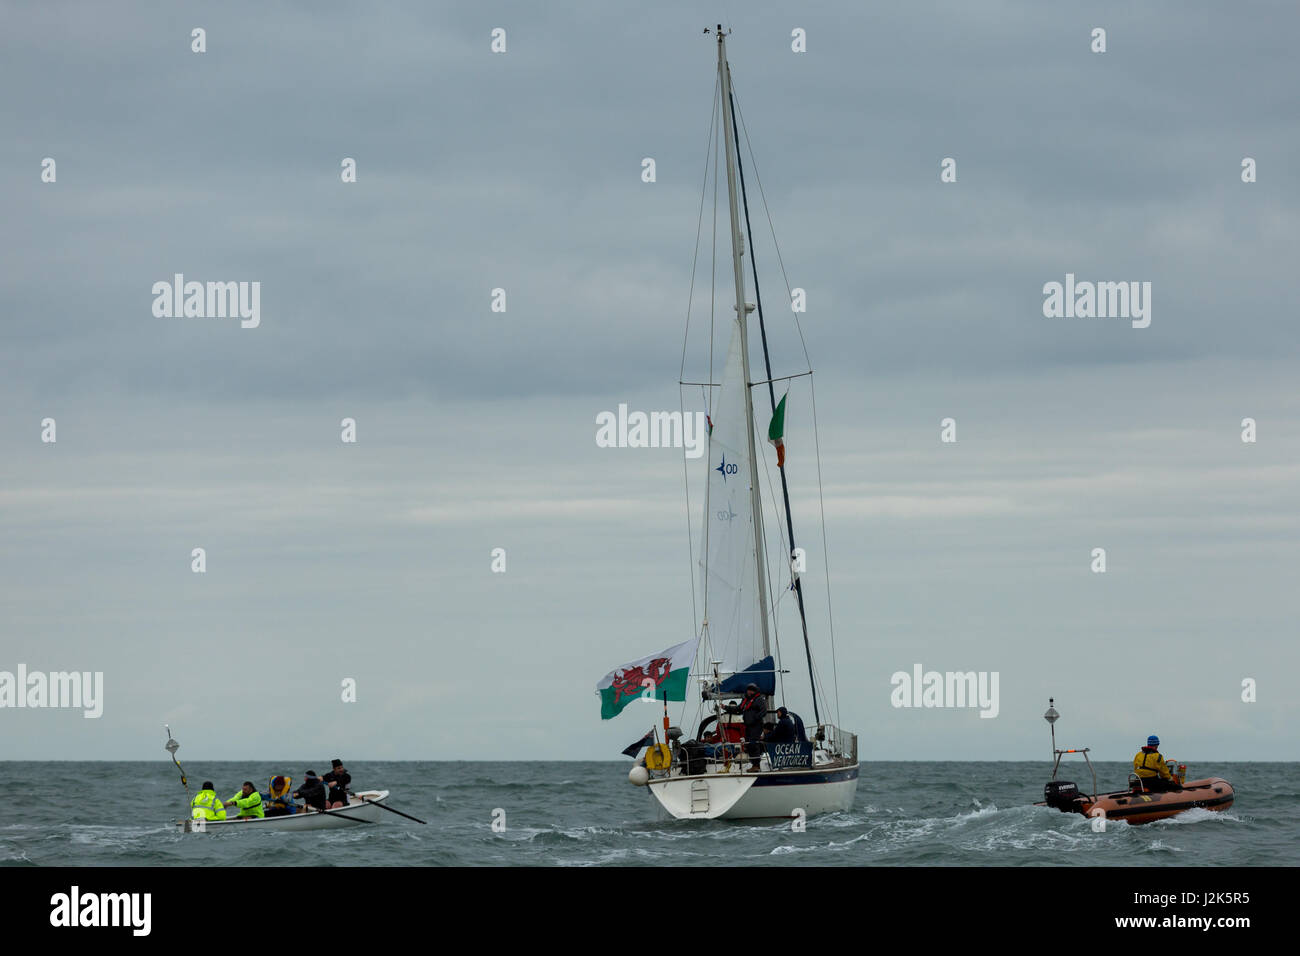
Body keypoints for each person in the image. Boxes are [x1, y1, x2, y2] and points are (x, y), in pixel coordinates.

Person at [723, 683, 767, 772]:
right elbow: (738, 708)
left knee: (753, 744)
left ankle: (756, 765)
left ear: (755, 691)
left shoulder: (759, 700)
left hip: (756, 726)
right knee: (748, 745)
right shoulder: (745, 700)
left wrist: (755, 718)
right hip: (748, 726)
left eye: (752, 690)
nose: (750, 691)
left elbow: (763, 711)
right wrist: (726, 707)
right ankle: (754, 764)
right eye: (748, 689)